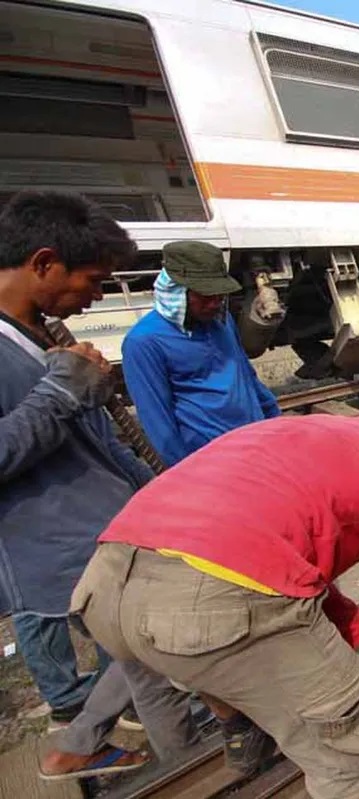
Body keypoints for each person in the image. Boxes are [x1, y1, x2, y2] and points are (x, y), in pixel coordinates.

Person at [68, 381, 359, 799]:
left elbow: (282, 562)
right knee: (358, 741)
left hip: (106, 582)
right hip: (202, 604)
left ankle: (237, 727)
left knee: (200, 647)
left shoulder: (303, 429)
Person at [0, 191, 198, 779]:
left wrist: (160, 491)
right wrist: (62, 389)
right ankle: (188, 767)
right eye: (94, 279)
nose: (101, 295)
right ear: (43, 263)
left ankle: (87, 746)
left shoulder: (37, 332)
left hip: (111, 530)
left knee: (149, 654)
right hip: (67, 549)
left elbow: (102, 440)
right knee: (163, 651)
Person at [122, 241, 280, 467]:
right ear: (178, 293)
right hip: (212, 463)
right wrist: (188, 474)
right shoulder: (144, 342)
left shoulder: (221, 323)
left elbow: (246, 375)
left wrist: (275, 419)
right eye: (206, 296)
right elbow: (159, 425)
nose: (215, 303)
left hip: (258, 446)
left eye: (220, 295)